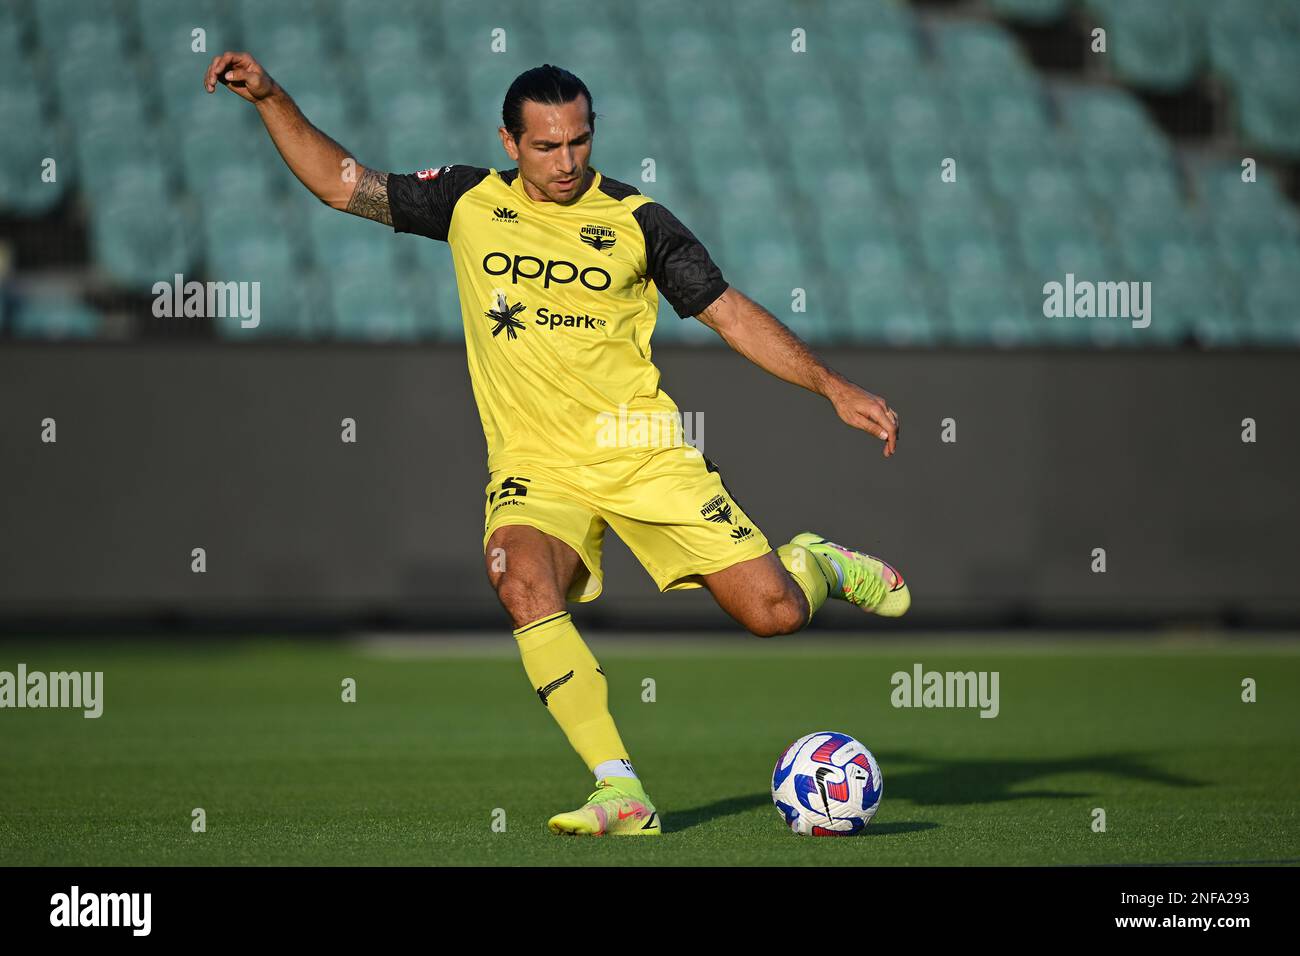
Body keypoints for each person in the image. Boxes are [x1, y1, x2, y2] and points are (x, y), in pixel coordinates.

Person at [205, 54, 908, 836]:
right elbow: (345, 185)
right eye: (547, 146)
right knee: (520, 581)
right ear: (509, 141)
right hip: (535, 465)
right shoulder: (467, 200)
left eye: (579, 141)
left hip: (641, 451)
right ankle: (622, 789)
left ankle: (814, 564)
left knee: (774, 613)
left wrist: (832, 386)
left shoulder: (640, 221)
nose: (567, 160)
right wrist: (270, 98)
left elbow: (730, 314)